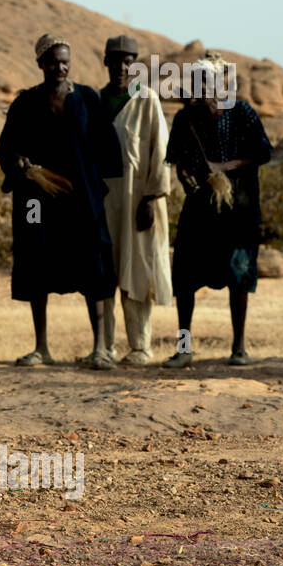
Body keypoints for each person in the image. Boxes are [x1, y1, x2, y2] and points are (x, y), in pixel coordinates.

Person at [0, 33, 123, 369]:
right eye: (53, 61)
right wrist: (19, 162)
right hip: (37, 202)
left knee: (92, 263)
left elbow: (107, 146)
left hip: (81, 198)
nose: (60, 67)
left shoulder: (88, 99)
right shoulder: (25, 103)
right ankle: (41, 348)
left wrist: (98, 188)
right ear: (40, 64)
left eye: (65, 61)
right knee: (36, 258)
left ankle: (100, 348)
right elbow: (6, 147)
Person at [163, 54, 272, 367]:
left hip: (239, 209)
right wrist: (187, 180)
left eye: (208, 79)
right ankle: (184, 348)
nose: (203, 85)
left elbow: (263, 152)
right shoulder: (185, 118)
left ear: (220, 81)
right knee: (184, 277)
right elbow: (178, 161)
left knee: (238, 275)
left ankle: (239, 348)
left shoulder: (242, 112)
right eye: (197, 80)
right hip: (200, 208)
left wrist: (224, 167)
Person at [97, 34, 172, 365]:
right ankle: (104, 346)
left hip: (139, 200)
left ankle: (141, 346)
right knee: (103, 273)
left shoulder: (147, 99)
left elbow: (161, 152)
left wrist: (151, 199)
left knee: (137, 270)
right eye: (116, 61)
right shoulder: (95, 101)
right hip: (104, 199)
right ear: (106, 63)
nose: (122, 68)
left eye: (128, 62)